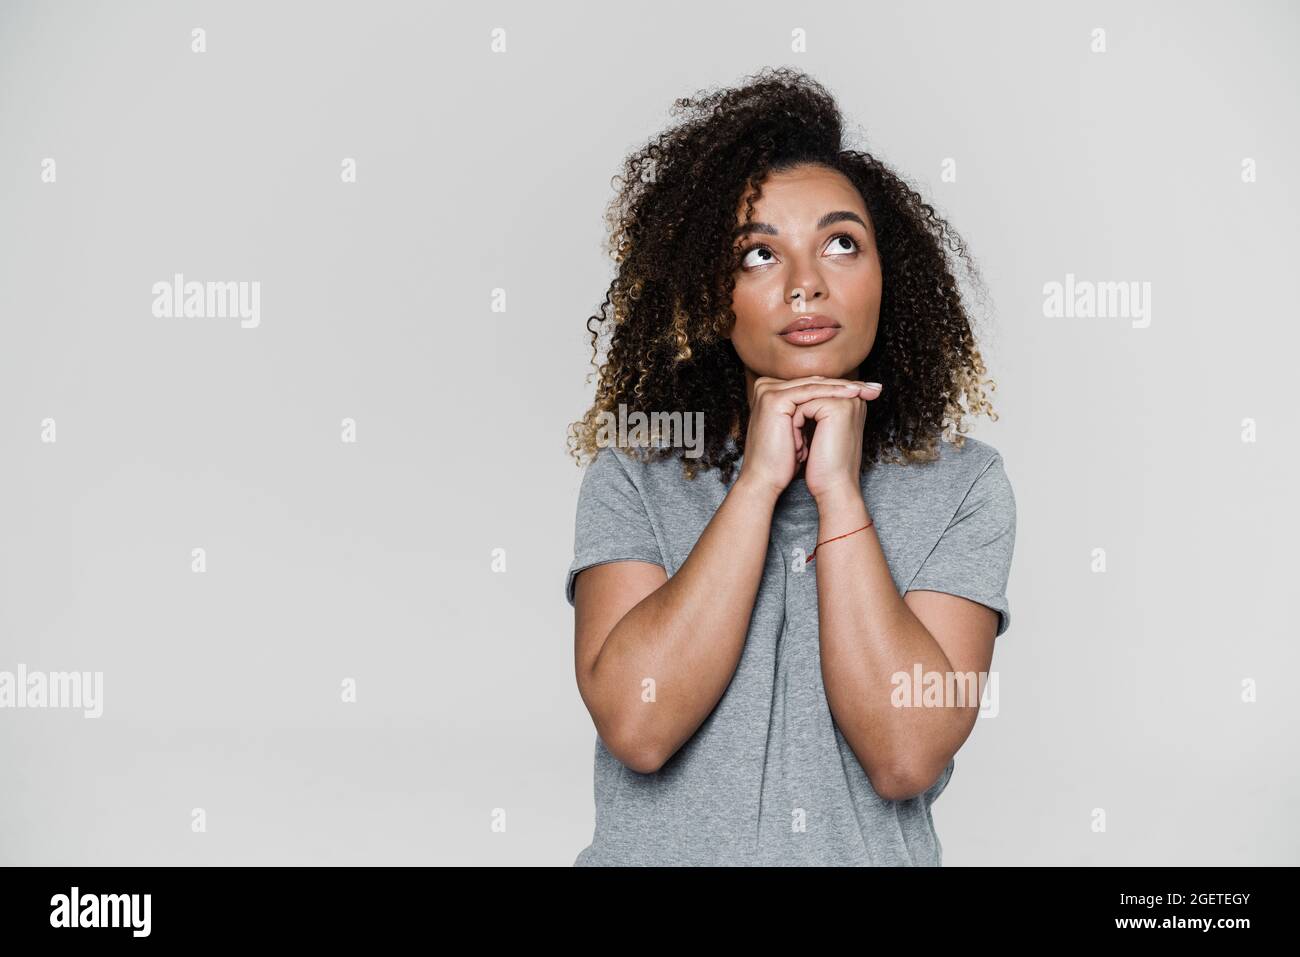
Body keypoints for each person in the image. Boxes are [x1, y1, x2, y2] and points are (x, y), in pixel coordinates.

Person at [563, 67, 1016, 866]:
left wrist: (838, 493)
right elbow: (639, 725)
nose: (806, 284)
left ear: (890, 276)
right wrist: (758, 483)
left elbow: (906, 753)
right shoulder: (633, 471)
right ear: (711, 291)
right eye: (759, 254)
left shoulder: (964, 486)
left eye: (841, 243)